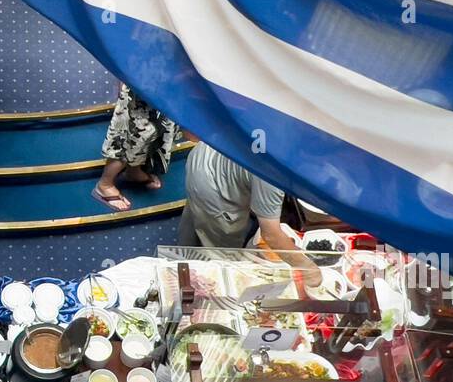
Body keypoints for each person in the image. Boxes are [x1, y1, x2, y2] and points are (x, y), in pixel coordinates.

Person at [179, 139, 321, 287]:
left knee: (197, 211)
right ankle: (199, 282)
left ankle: (182, 251)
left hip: (205, 153)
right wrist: (308, 267)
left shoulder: (284, 134)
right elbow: (271, 235)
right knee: (222, 248)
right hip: (213, 189)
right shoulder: (274, 172)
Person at [92, 84, 180, 212]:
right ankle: (105, 184)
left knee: (153, 131)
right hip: (146, 81)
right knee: (132, 134)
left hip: (164, 84)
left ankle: (133, 170)